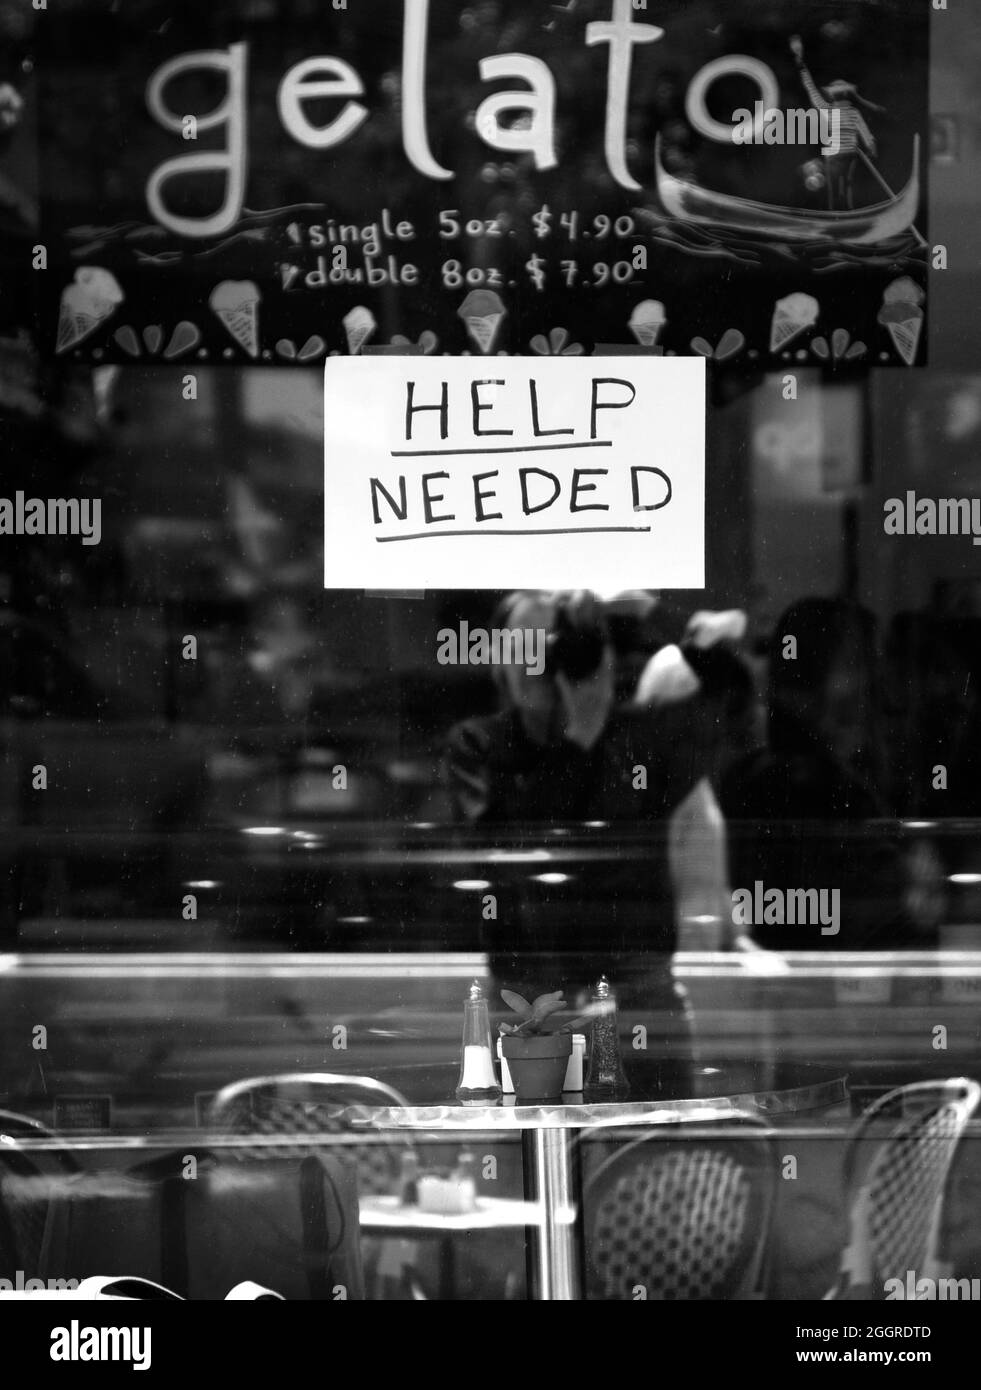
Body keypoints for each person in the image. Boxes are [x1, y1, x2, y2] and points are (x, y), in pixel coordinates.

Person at [443, 590, 757, 1039]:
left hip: (640, 1001)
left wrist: (642, 610)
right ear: (496, 660)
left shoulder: (637, 741)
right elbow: (501, 854)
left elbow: (731, 694)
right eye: (524, 645)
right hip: (530, 1003)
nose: (540, 659)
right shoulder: (478, 746)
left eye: (556, 644)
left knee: (661, 1112)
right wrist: (579, 737)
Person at [789, 34, 883, 210]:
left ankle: (840, 211)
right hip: (843, 154)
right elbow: (866, 134)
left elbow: (810, 89)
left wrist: (801, 63)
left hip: (839, 154)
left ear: (835, 95)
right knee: (842, 184)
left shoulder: (831, 110)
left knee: (840, 185)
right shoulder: (845, 111)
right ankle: (841, 211)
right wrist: (871, 148)